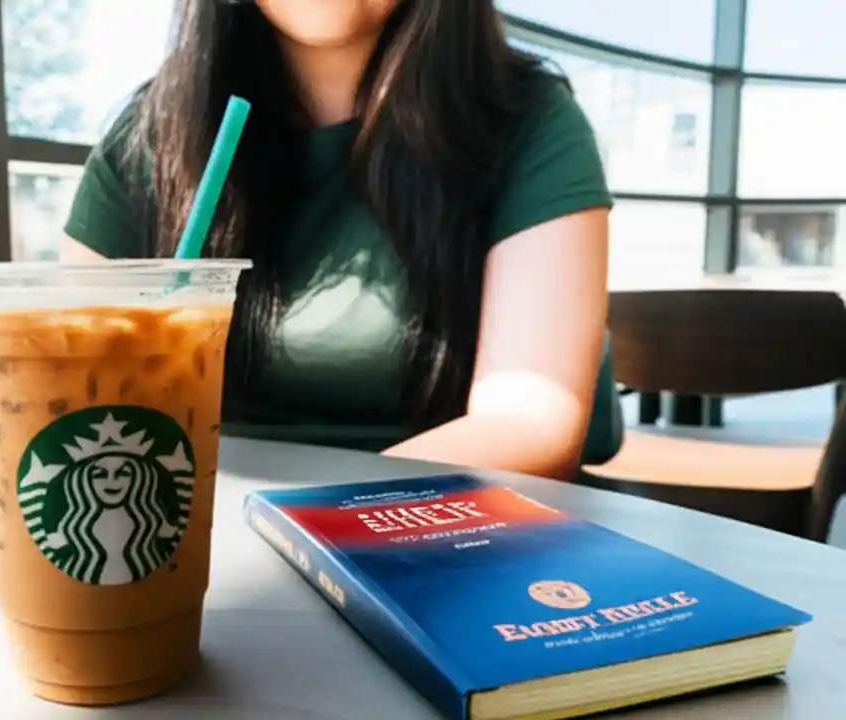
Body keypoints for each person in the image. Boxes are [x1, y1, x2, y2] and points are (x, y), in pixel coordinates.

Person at [62, 0, 611, 480]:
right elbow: (73, 388)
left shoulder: (526, 120)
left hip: (443, 531)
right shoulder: (150, 136)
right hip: (191, 530)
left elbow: (528, 422)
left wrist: (302, 520)